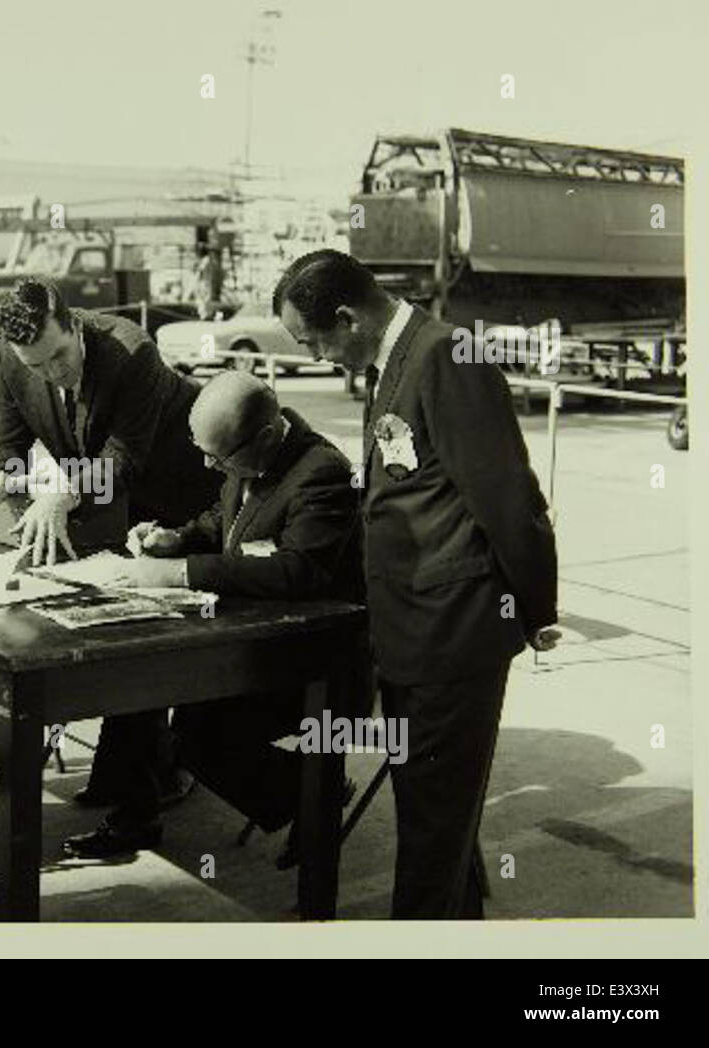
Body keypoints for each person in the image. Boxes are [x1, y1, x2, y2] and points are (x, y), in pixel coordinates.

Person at [275, 249, 559, 918]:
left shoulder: (445, 357)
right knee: (432, 821)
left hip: (453, 635)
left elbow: (509, 499)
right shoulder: (392, 362)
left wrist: (536, 611)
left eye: (312, 341)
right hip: (409, 633)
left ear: (346, 318)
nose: (315, 355)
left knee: (431, 836)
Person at [0, 277, 222, 839]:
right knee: (123, 631)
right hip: (112, 505)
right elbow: (7, 446)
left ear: (75, 324)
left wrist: (60, 493)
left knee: (141, 641)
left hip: (183, 499)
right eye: (36, 366)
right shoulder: (12, 360)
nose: (53, 373)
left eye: (59, 357)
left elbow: (124, 460)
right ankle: (130, 777)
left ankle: (146, 797)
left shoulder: (132, 350)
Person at [77, 371, 364, 858]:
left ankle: (313, 794)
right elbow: (225, 520)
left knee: (199, 738)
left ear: (268, 436)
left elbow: (298, 570)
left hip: (309, 660)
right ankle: (135, 815)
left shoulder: (322, 474)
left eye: (220, 455)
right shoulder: (250, 453)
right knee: (139, 682)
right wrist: (178, 537)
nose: (211, 466)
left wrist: (178, 574)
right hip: (246, 637)